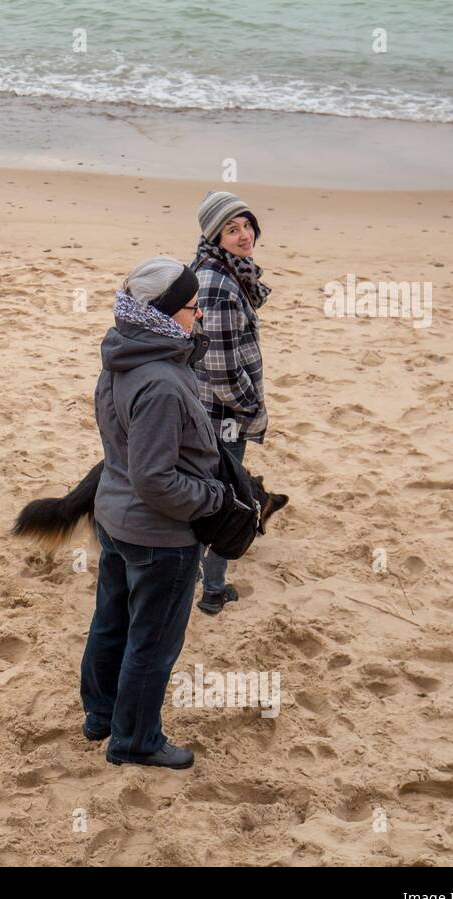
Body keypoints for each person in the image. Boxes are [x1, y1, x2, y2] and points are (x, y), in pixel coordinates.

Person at [83, 257, 233, 770]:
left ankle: (101, 716)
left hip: (114, 516)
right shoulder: (163, 382)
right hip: (158, 535)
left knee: (111, 622)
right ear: (168, 313)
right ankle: (136, 741)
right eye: (194, 308)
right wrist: (213, 500)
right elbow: (155, 479)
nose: (200, 317)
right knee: (151, 643)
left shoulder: (122, 349)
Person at [190, 191, 271, 615]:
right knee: (229, 501)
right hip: (222, 414)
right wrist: (250, 406)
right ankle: (213, 590)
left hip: (208, 409)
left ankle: (200, 580)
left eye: (247, 225)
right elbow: (220, 368)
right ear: (214, 235)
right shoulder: (219, 284)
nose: (245, 236)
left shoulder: (219, 269)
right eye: (232, 229)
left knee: (206, 495)